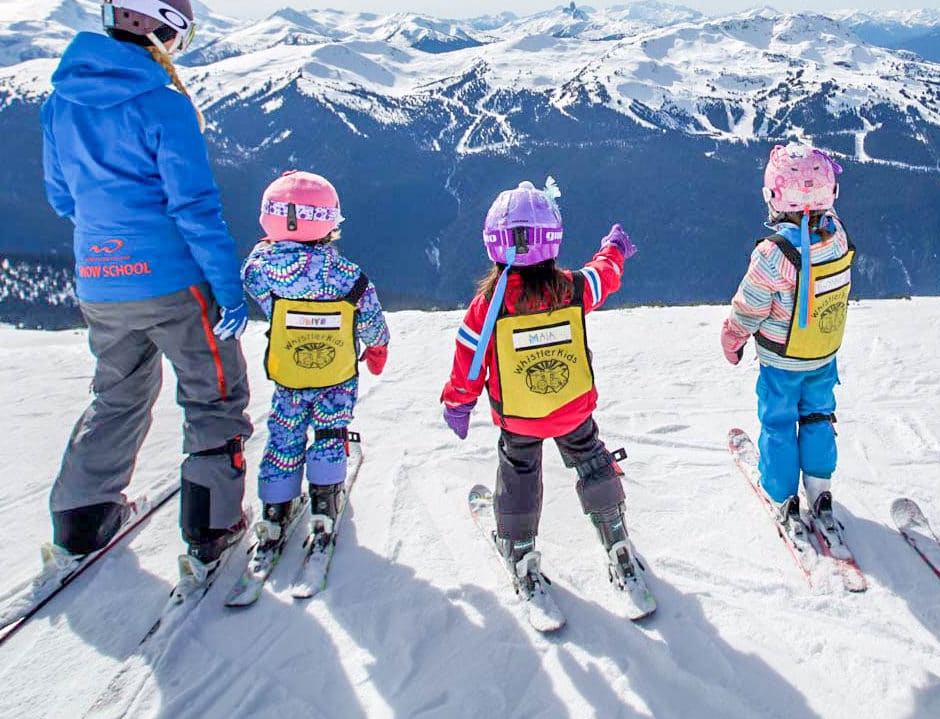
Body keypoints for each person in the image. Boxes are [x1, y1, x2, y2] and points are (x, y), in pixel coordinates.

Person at [41, 0, 252, 581]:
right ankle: (213, 526)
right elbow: (194, 208)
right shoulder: (163, 103)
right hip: (174, 281)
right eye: (177, 37)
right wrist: (227, 289)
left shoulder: (59, 102)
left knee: (117, 394)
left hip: (100, 283)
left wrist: (107, 241)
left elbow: (62, 197)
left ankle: (82, 517)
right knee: (213, 397)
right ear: (158, 29)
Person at [438, 180, 641, 603]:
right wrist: (615, 250)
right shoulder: (571, 288)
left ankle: (521, 551)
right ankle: (616, 537)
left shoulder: (489, 305)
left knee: (519, 476)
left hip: (520, 418)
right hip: (573, 407)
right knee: (591, 461)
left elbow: (468, 361)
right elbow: (605, 278)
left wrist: (458, 403)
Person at [242, 170, 389, 550]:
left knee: (285, 432)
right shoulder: (348, 277)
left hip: (289, 373)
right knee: (329, 430)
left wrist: (267, 248)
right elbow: (370, 318)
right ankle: (325, 498)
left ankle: (275, 508)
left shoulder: (262, 270)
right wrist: (376, 347)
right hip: (336, 374)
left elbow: (252, 279)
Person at [719, 144, 854, 548]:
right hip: (823, 354)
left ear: (775, 196)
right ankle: (820, 488)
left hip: (781, 360)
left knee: (778, 423)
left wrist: (733, 337)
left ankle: (783, 497)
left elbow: (750, 306)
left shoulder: (773, 254)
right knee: (817, 416)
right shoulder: (836, 235)